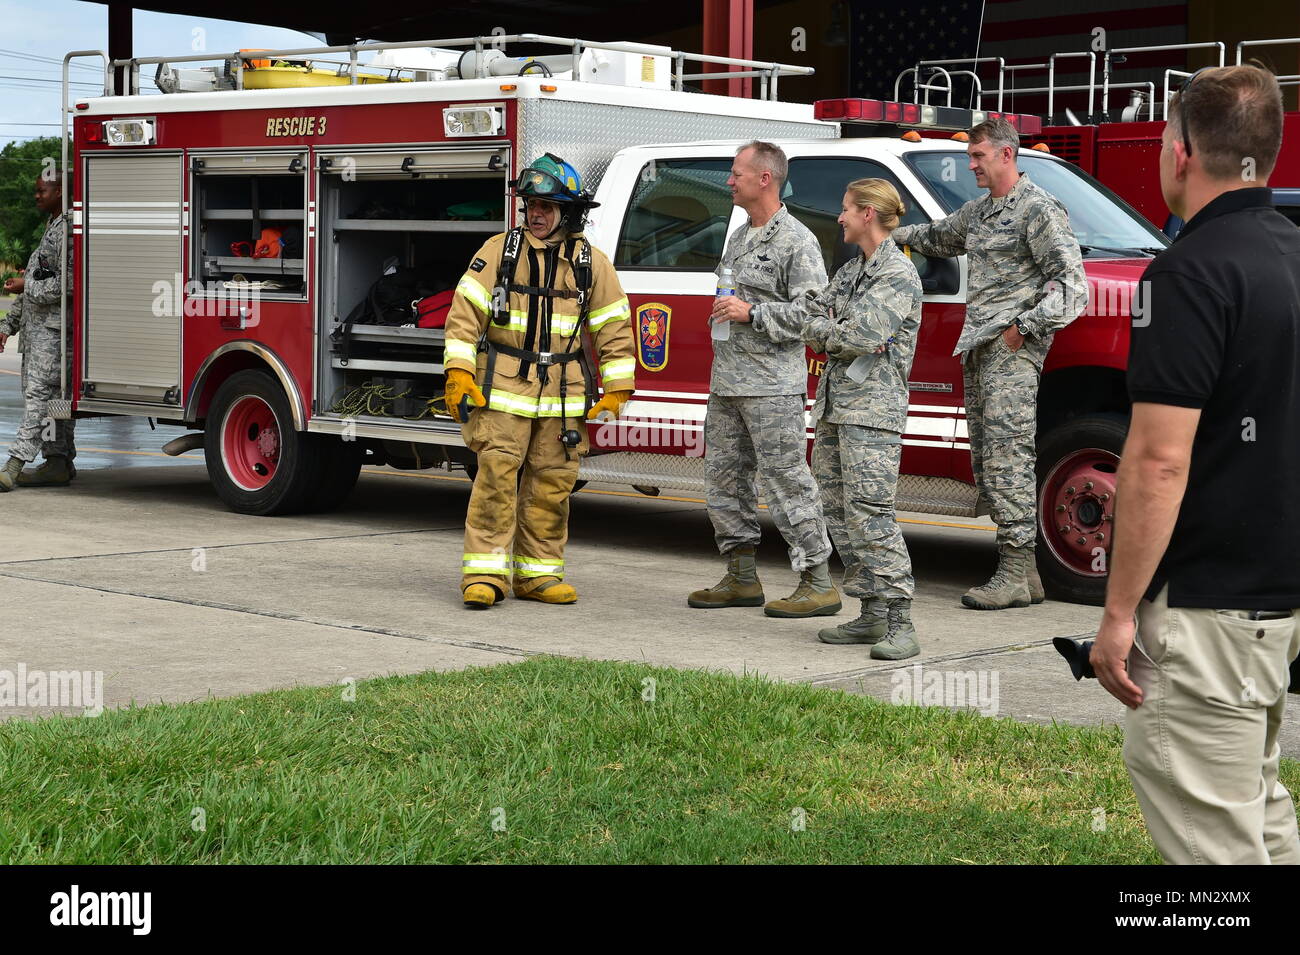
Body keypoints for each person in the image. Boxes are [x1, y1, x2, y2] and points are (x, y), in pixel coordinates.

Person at [1091, 65, 1300, 865]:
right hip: (1271, 604)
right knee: (1255, 812)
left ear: (1179, 153)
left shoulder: (1186, 272)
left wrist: (1117, 615)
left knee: (1212, 851)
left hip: (1207, 610)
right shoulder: (1289, 254)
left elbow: (1156, 463)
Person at [721, 179, 923, 659]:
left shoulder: (897, 274)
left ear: (869, 213)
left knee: (872, 513)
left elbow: (860, 335)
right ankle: (870, 612)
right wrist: (821, 329)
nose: (840, 217)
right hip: (836, 408)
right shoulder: (853, 271)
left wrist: (826, 332)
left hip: (873, 413)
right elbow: (815, 317)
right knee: (839, 511)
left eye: (847, 209)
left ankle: (900, 621)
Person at [892, 119, 1086, 610]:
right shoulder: (980, 213)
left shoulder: (1038, 209)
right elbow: (936, 236)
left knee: (1007, 459)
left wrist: (1024, 327)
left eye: (977, 156)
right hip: (979, 348)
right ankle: (1027, 579)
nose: (971, 165)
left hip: (1012, 351)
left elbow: (1072, 285)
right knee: (986, 458)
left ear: (1005, 154)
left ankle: (1015, 571)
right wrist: (885, 230)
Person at [443, 154, 636, 609]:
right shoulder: (498, 252)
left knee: (552, 485)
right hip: (504, 391)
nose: (536, 213)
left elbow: (614, 328)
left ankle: (538, 575)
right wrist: (458, 373)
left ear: (569, 212)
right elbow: (464, 317)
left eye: (547, 206)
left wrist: (617, 390)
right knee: (495, 479)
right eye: (531, 204)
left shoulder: (591, 263)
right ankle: (485, 575)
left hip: (563, 398)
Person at [688, 141, 839, 619]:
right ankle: (740, 576)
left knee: (786, 482)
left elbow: (814, 313)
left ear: (764, 179)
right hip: (728, 380)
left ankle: (817, 582)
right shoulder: (739, 236)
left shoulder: (796, 240)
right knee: (724, 481)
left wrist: (753, 313)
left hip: (771, 385)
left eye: (736, 173)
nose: (728, 181)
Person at [0, 169, 76, 492]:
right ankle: (57, 463)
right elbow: (31, 285)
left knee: (38, 399)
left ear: (59, 192)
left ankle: (13, 466)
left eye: (41, 190)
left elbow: (69, 284)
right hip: (40, 333)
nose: (36, 195)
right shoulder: (52, 228)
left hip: (55, 335)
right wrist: (7, 325)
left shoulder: (68, 230)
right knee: (55, 401)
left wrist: (25, 284)